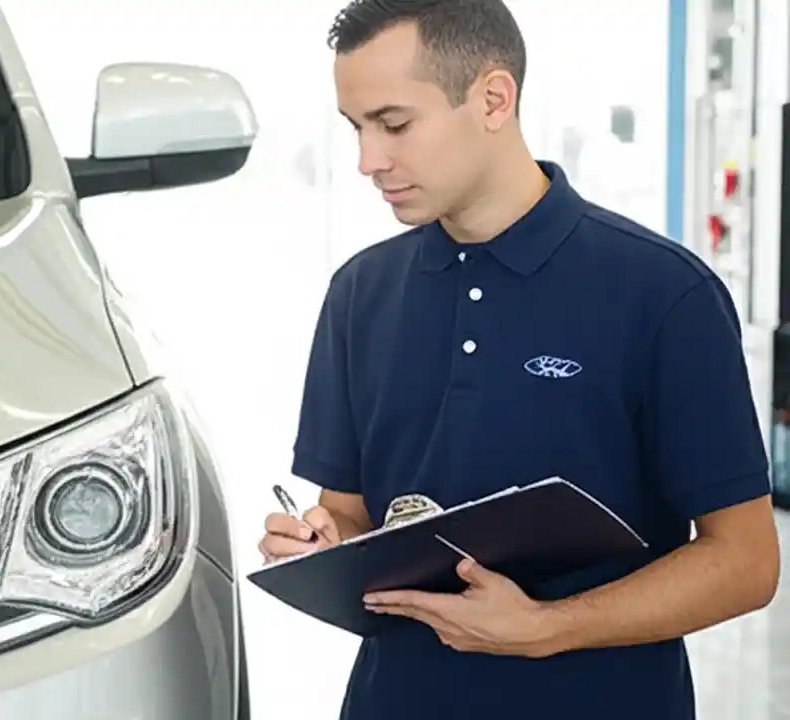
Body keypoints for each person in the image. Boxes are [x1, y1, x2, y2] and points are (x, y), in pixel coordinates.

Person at [257, 1, 782, 718]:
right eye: (356, 128)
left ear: (493, 99)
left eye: (394, 124)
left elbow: (745, 563)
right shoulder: (359, 292)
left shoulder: (664, 293)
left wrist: (547, 628)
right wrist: (322, 541)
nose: (368, 160)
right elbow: (349, 513)